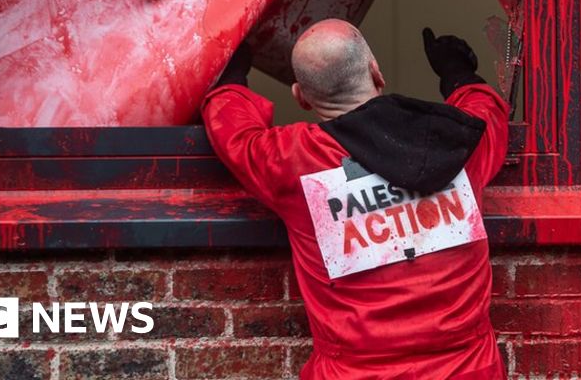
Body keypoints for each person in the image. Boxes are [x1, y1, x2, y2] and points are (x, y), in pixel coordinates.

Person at [201, 19, 509, 379]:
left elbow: (234, 133)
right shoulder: (460, 142)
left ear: (300, 97)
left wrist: (232, 76)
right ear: (377, 73)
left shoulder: (292, 162)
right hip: (468, 369)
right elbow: (486, 110)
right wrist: (457, 72)